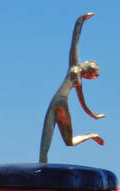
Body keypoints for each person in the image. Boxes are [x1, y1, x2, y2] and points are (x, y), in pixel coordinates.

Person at [40, 12, 105, 163]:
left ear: (89, 73)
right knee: (44, 146)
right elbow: (74, 42)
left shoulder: (78, 82)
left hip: (62, 105)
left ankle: (91, 136)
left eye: (92, 71)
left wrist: (93, 115)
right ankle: (41, 171)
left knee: (69, 142)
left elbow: (83, 104)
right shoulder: (74, 64)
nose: (89, 62)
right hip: (55, 103)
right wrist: (80, 21)